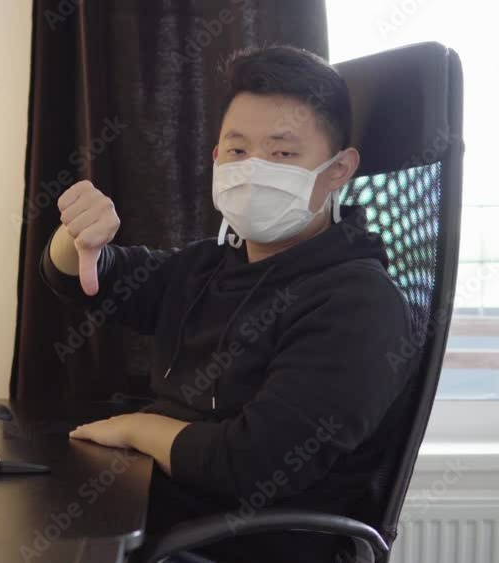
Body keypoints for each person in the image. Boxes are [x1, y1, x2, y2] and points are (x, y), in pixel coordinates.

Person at [41, 45, 416, 562]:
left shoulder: (360, 303)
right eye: (238, 151)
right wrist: (77, 238)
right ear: (216, 158)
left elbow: (255, 464)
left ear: (338, 170)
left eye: (283, 154)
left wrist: (134, 427)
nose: (255, 169)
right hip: (148, 518)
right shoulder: (213, 266)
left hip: (234, 548)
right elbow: (88, 279)